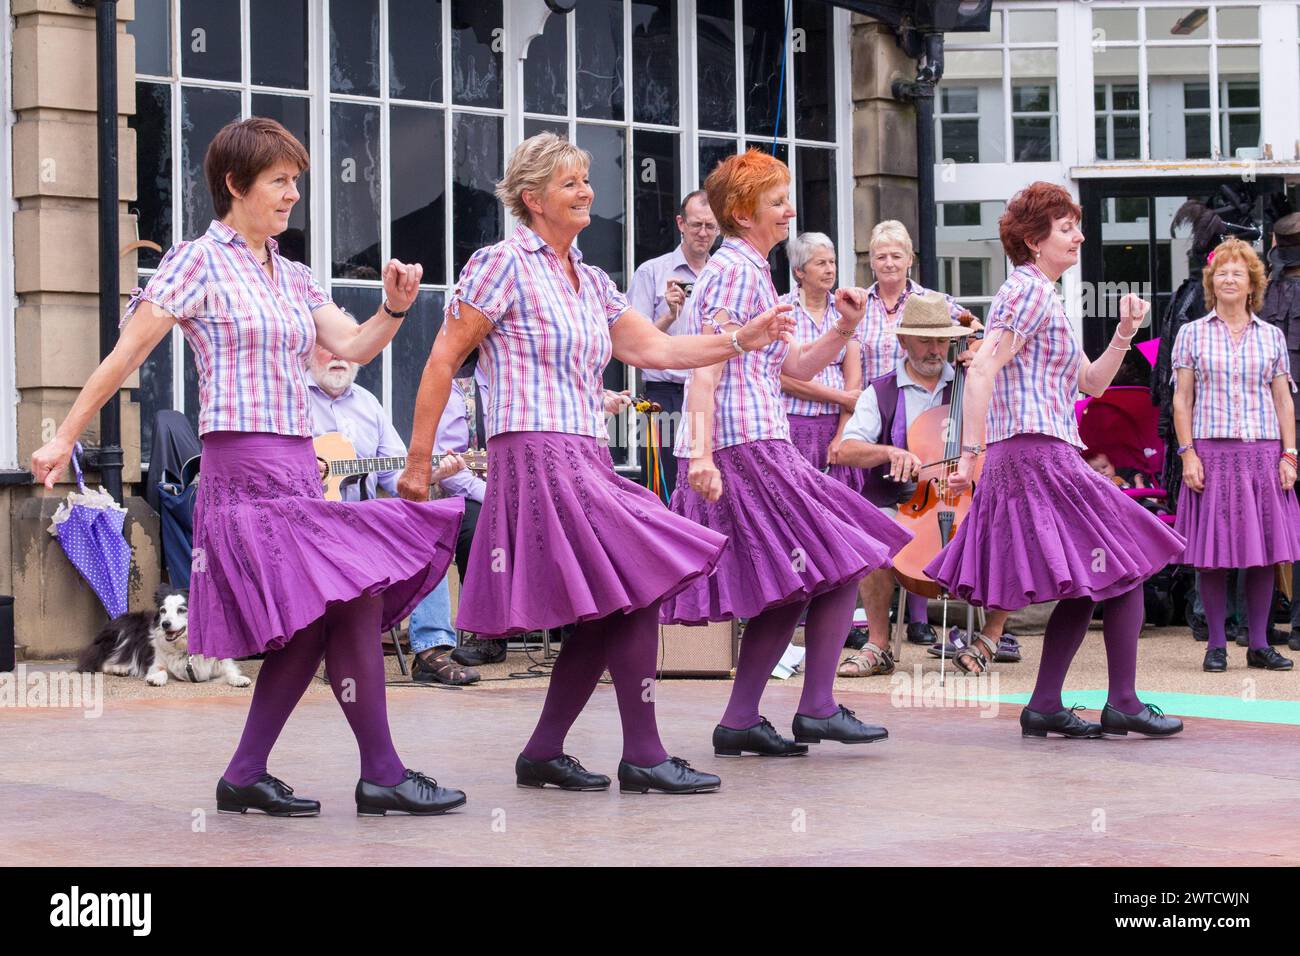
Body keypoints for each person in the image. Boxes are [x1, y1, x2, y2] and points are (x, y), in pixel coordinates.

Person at [30, 117, 468, 816]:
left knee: (319, 617)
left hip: (298, 470)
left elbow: (353, 346)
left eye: (296, 181)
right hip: (241, 475)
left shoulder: (292, 274)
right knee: (343, 600)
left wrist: (393, 308)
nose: (294, 194)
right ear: (236, 185)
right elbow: (125, 357)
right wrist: (63, 438)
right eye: (280, 181)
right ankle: (377, 771)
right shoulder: (196, 261)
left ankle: (250, 773)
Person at [398, 132, 795, 795]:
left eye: (587, 179)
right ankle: (639, 753)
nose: (587, 191)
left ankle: (548, 751)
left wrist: (739, 338)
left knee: (612, 602)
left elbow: (658, 351)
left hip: (582, 455)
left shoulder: (589, 276)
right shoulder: (501, 264)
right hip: (534, 455)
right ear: (532, 198)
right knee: (632, 586)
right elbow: (444, 358)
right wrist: (417, 463)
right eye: (570, 182)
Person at [659, 149, 912, 759]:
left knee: (799, 579)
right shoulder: (734, 271)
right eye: (778, 202)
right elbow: (704, 363)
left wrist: (842, 329)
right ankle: (812, 707)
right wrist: (699, 454)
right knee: (839, 557)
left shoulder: (753, 271)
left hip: (760, 441)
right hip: (746, 447)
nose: (790, 211)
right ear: (745, 213)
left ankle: (746, 718)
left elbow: (787, 367)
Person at [926, 181, 1187, 739]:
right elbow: (982, 369)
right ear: (1033, 238)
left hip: (1045, 448)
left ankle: (1048, 704)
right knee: (1128, 562)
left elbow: (1090, 383)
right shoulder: (1026, 290)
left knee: (1092, 576)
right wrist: (970, 454)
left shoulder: (1045, 294)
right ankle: (1123, 701)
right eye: (1067, 227)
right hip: (1033, 452)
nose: (1080, 236)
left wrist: (1125, 333)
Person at [834, 292, 1012, 676]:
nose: (936, 350)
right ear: (903, 341)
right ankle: (878, 645)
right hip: (903, 502)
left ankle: (990, 637)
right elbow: (846, 449)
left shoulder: (973, 382)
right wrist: (887, 453)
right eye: (925, 340)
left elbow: (1003, 437)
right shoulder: (879, 392)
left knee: (1011, 528)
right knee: (870, 528)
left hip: (968, 498)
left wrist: (985, 359)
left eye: (943, 340)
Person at [307, 339, 481, 685]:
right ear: (309, 353)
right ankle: (342, 650)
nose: (339, 354)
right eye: (328, 347)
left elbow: (400, 476)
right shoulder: (291, 399)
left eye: (346, 348)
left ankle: (431, 651)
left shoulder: (368, 404)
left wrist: (436, 472)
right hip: (311, 522)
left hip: (365, 518)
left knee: (424, 526)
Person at [1172, 237, 1298, 672]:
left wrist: (1290, 454)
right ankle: (1216, 646)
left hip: (1263, 455)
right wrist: (1188, 454)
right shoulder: (1191, 333)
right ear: (1212, 282)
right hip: (1211, 454)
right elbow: (1181, 401)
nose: (1228, 278)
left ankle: (1260, 644)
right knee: (1213, 554)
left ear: (1251, 284)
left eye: (1237, 272)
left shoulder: (1272, 337)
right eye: (1221, 272)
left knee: (1262, 551)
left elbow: (1284, 401)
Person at [626, 190, 719, 498]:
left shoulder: (723, 276)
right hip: (663, 396)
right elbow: (633, 348)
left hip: (711, 393)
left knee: (707, 484)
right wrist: (667, 316)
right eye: (696, 225)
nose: (703, 233)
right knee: (662, 485)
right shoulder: (651, 273)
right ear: (681, 223)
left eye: (710, 226)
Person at [780, 231, 863, 491]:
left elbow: (854, 382)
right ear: (799, 271)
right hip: (792, 424)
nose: (830, 270)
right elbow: (784, 378)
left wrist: (842, 435)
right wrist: (840, 397)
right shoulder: (782, 310)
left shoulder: (845, 311)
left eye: (832, 262)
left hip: (836, 424)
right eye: (821, 263)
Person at [1259, 211, 1300, 652]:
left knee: (1267, 527)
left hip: (1269, 431)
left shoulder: (1261, 300)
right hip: (1276, 427)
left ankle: (1258, 625)